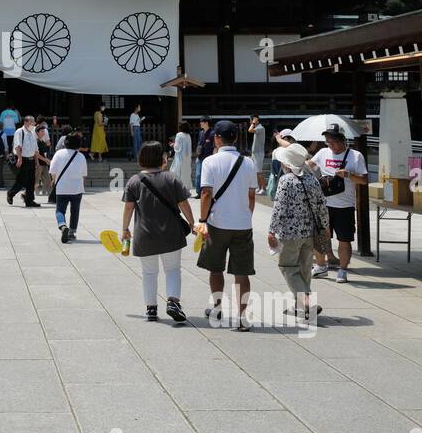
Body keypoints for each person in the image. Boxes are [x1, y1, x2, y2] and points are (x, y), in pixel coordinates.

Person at [195, 120, 259, 330]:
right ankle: (242, 316)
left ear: (217, 138)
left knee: (215, 269)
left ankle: (217, 307)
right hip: (242, 224)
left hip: (217, 222)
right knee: (242, 272)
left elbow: (206, 193)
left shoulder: (210, 162)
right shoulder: (248, 162)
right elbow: (251, 196)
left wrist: (203, 220)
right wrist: (245, 215)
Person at [123, 141, 195, 322]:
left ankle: (151, 309)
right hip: (171, 234)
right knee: (172, 270)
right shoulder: (172, 178)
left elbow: (128, 208)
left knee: (149, 273)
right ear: (162, 158)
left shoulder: (134, 181)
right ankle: (172, 301)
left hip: (144, 235)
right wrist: (192, 223)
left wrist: (124, 229)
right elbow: (184, 204)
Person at [266, 142, 329, 321]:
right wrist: (324, 226)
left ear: (287, 164)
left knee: (287, 266)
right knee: (304, 269)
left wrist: (272, 231)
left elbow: (279, 207)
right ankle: (301, 306)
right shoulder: (312, 180)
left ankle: (307, 300)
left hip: (290, 233)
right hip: (310, 232)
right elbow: (321, 206)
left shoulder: (286, 181)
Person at [307, 124, 369, 283]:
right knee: (319, 236)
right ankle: (321, 267)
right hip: (323, 203)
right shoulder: (322, 152)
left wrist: (348, 174)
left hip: (345, 205)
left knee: (344, 239)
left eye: (333, 141)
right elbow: (309, 166)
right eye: (327, 141)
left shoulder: (356, 156)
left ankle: (342, 270)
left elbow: (363, 180)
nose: (330, 145)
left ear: (342, 140)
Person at [49, 131, 88, 243]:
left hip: (62, 187)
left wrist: (53, 180)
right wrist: (81, 185)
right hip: (77, 188)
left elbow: (53, 170)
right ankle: (71, 232)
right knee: (75, 210)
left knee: (60, 210)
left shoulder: (59, 154)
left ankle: (62, 225)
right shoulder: (81, 156)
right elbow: (84, 174)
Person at [8, 115, 42, 207]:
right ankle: (10, 193)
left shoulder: (32, 132)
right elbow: (17, 146)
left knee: (31, 181)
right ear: (26, 122)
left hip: (31, 160)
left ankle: (29, 201)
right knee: (21, 181)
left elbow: (35, 149)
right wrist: (19, 158)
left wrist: (37, 162)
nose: (34, 124)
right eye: (32, 122)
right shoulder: (20, 132)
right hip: (23, 160)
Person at [194, 116, 215, 198]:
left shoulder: (213, 133)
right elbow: (199, 145)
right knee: (198, 175)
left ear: (206, 123)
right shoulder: (201, 133)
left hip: (209, 157)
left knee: (208, 175)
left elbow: (214, 146)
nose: (200, 123)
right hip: (200, 156)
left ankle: (209, 192)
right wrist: (197, 156)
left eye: (201, 121)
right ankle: (199, 192)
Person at [170, 119, 192, 191]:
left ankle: (178, 188)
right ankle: (186, 188)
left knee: (177, 172)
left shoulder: (179, 135)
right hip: (187, 158)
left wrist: (173, 145)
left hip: (180, 158)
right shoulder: (188, 135)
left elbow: (177, 147)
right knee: (186, 173)